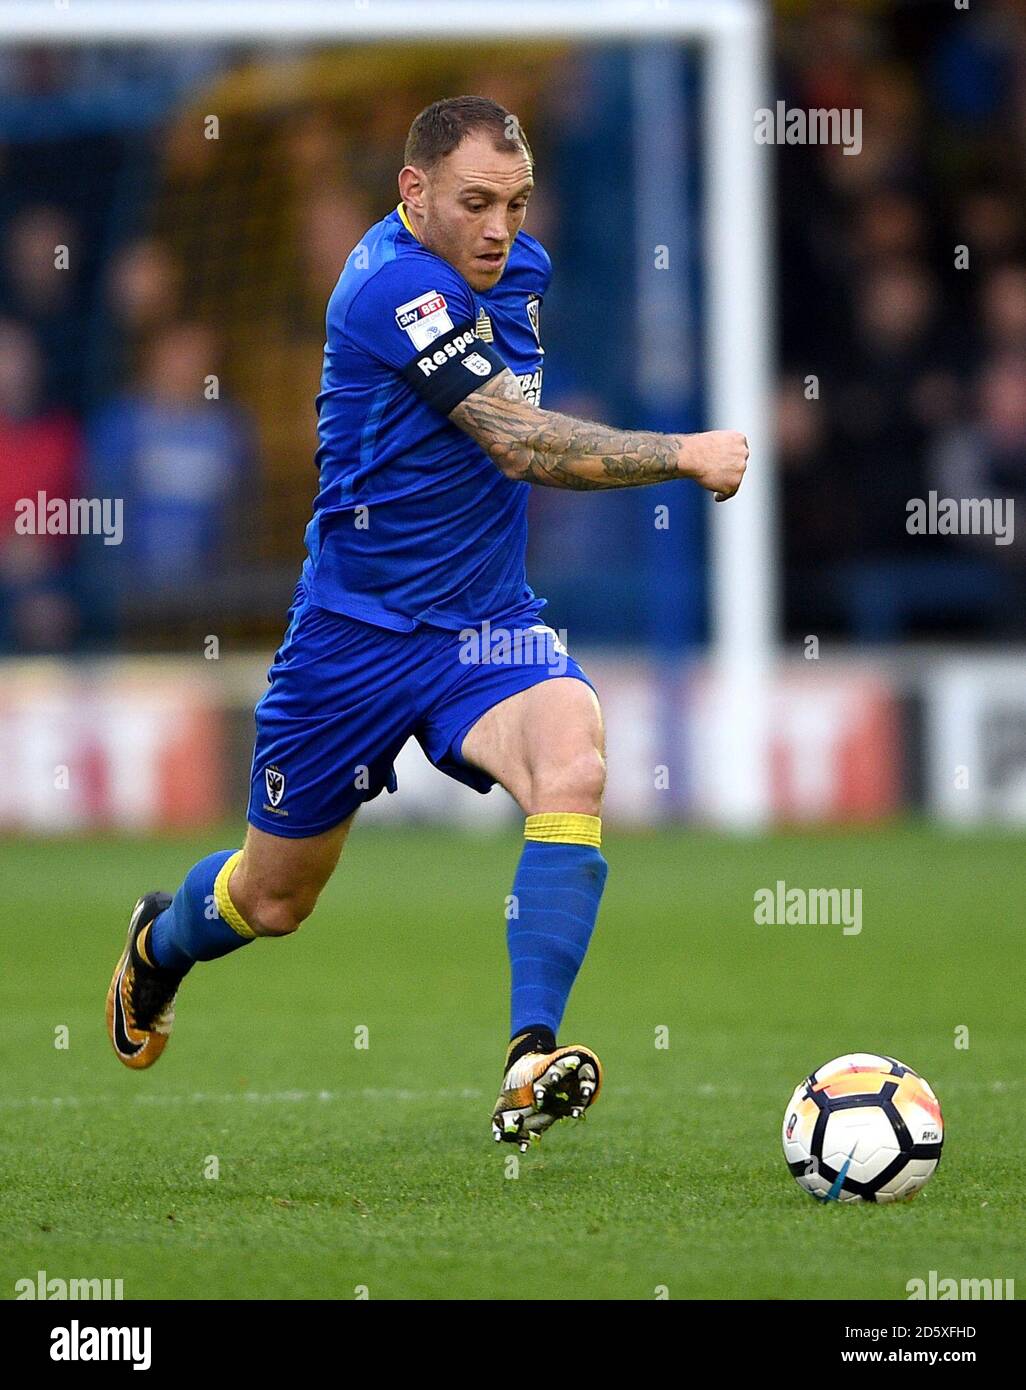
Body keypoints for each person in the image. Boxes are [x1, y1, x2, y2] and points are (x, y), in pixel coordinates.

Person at [106, 96, 747, 1152]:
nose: (500, 227)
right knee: (273, 901)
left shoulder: (519, 276)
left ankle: (529, 1056)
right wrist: (680, 453)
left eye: (517, 202)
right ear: (414, 193)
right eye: (476, 203)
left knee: (573, 764)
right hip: (350, 640)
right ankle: (159, 946)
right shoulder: (390, 288)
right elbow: (519, 443)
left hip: (483, 629)